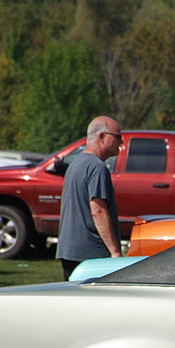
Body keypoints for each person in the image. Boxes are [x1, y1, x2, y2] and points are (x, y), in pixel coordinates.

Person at [56, 115, 122, 279]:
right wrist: (115, 252)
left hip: (70, 251)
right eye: (118, 137)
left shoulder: (76, 164)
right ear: (102, 137)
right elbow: (98, 211)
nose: (121, 142)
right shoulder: (97, 168)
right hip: (91, 254)